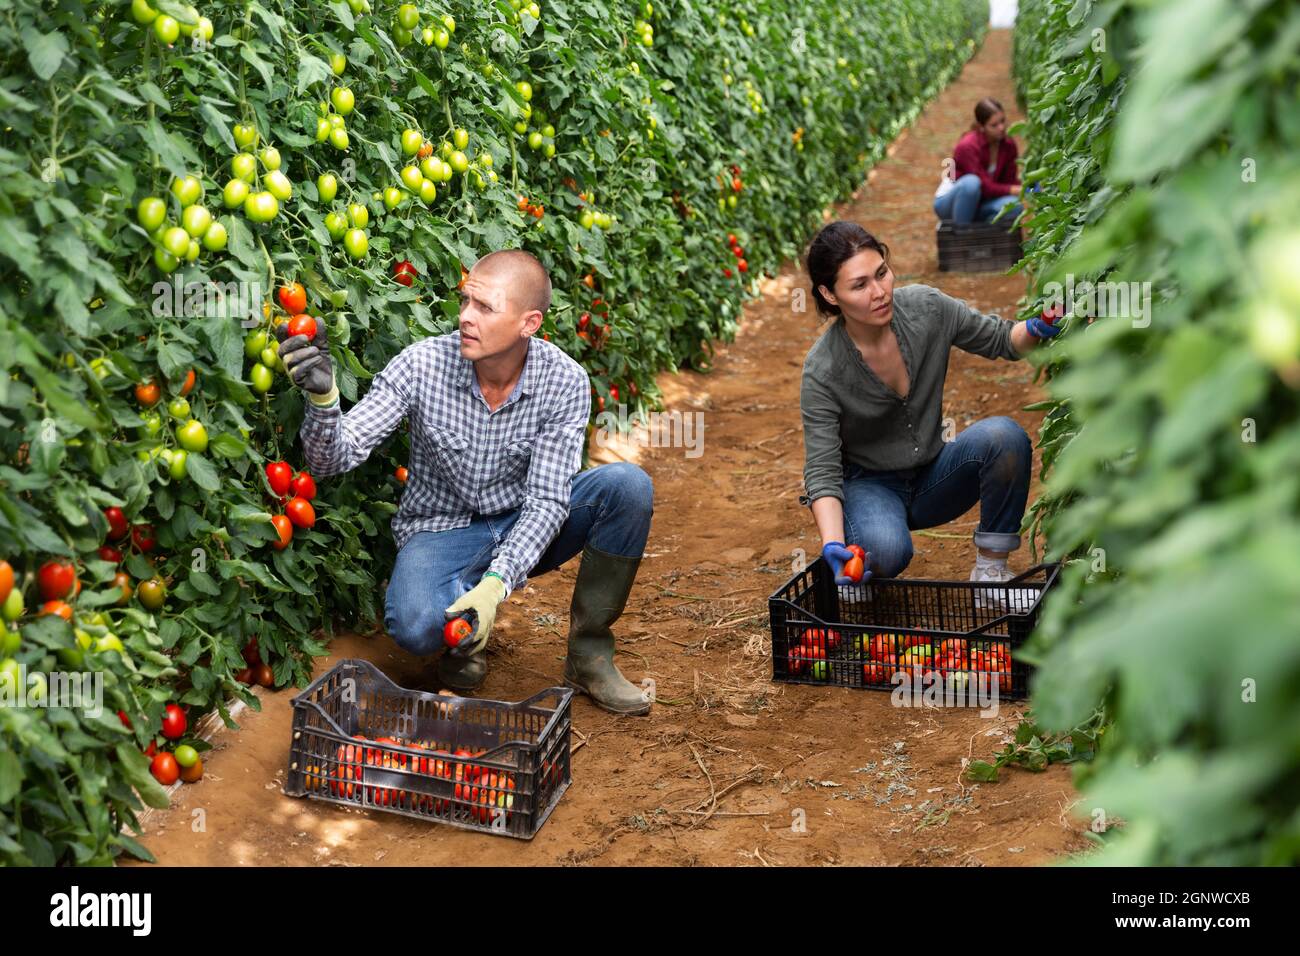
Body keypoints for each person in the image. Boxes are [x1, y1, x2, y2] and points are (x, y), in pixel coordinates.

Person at [275, 250, 654, 715]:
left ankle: (589, 655)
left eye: (485, 307)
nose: (466, 318)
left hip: (522, 520)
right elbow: (335, 457)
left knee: (626, 487)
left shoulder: (564, 381)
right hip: (441, 531)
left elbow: (548, 503)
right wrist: (323, 397)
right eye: (466, 302)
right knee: (414, 626)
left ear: (528, 323)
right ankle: (461, 641)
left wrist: (496, 584)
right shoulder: (421, 366)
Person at [798, 221, 1061, 608]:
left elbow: (1002, 339)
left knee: (1004, 438)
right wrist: (834, 544)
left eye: (882, 274)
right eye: (859, 285)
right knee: (887, 552)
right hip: (870, 486)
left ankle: (991, 576)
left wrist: (1041, 324)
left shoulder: (926, 308)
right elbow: (821, 469)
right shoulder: (823, 370)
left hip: (933, 476)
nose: (879, 292)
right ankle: (865, 545)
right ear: (829, 294)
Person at [933, 97, 1023, 227]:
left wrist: (1028, 188)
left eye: (1003, 121)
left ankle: (977, 231)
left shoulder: (1008, 145)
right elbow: (984, 187)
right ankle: (962, 236)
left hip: (982, 202)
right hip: (950, 203)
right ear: (981, 127)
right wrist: (1012, 189)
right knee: (971, 183)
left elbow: (1008, 181)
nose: (1001, 128)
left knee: (1015, 206)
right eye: (994, 125)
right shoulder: (967, 146)